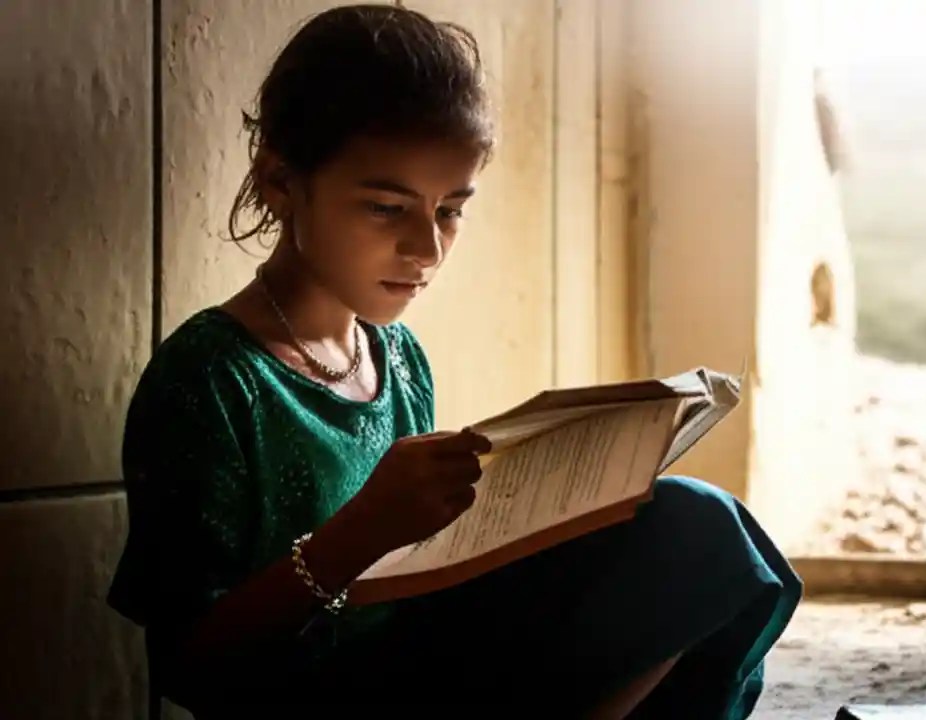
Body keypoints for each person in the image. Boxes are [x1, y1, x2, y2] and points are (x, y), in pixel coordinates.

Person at [106, 4, 801, 717]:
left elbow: (420, 582)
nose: (427, 248)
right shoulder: (211, 379)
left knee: (693, 533)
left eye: (449, 211)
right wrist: (357, 535)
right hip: (321, 698)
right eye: (386, 208)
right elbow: (188, 667)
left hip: (423, 665)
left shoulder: (397, 358)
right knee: (694, 530)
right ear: (281, 183)